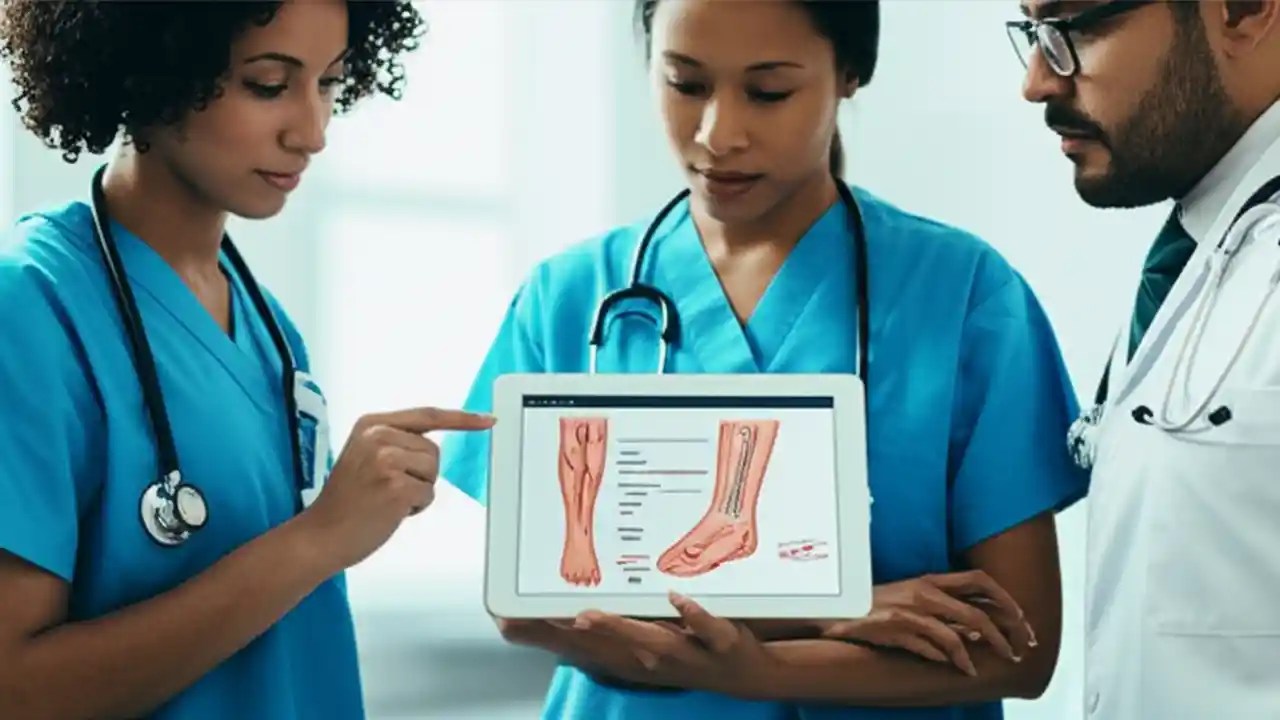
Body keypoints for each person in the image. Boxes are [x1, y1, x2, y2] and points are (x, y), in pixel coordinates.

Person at [441, 1, 1090, 718]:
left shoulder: (964, 295)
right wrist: (826, 611)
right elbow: (526, 610)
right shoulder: (569, 297)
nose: (719, 134)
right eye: (685, 85)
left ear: (850, 74)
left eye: (769, 92)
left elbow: (1020, 648)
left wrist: (755, 668)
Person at [0, 2, 495, 719]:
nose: (313, 131)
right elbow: (16, 689)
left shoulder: (274, 335)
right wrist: (321, 538)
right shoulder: (32, 308)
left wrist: (346, 520)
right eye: (268, 85)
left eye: (329, 83)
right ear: (154, 71)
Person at [1008, 0, 1280, 717]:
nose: (1039, 79)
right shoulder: (1206, 241)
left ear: (1246, 10)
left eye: (1075, 27)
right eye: (1033, 33)